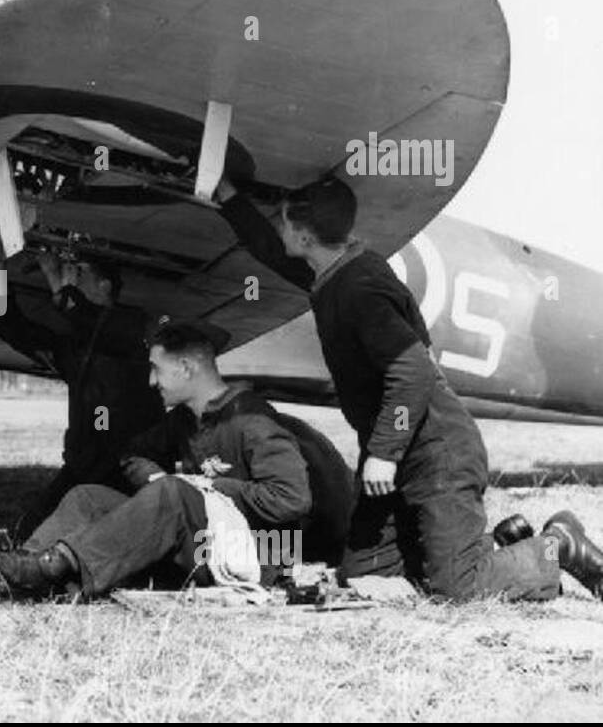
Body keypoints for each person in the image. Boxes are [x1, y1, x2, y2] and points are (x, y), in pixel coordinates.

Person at [216, 174, 603, 601]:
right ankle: (494, 545)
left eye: (284, 223)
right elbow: (275, 254)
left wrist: (383, 453)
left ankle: (556, 544)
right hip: (402, 452)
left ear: (305, 236)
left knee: (458, 589)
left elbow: (413, 369)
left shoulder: (358, 287)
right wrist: (229, 198)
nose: (280, 229)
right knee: (363, 573)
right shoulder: (337, 269)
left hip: (437, 453)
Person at [0, 320, 334, 599]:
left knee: (174, 494)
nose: (150, 381)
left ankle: (54, 565)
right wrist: (154, 477)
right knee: (88, 496)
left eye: (156, 369)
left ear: (186, 367)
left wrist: (209, 488)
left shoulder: (253, 420)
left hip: (259, 556)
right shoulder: (183, 419)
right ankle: (19, 568)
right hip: (206, 543)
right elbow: (133, 453)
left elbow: (293, 499)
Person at [0, 252, 163, 539]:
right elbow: (12, 328)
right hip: (84, 461)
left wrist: (58, 283)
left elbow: (95, 324)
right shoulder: (74, 344)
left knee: (122, 537)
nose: (71, 278)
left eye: (80, 273)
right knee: (27, 532)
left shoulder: (133, 324)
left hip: (128, 463)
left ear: (105, 286)